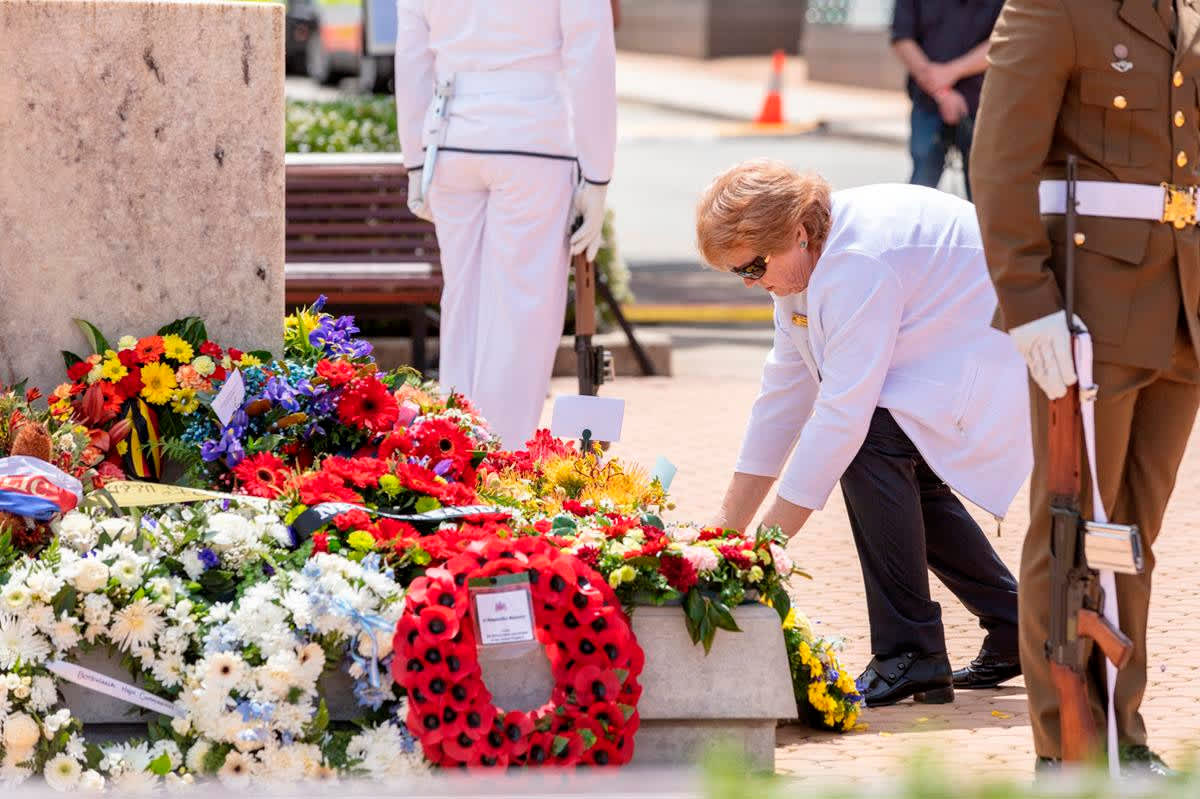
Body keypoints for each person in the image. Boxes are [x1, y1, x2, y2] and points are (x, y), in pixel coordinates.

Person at [698, 159, 1030, 708]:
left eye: (754, 266)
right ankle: (1017, 624)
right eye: (740, 273)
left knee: (870, 442)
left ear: (798, 233)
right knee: (894, 462)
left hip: (996, 345)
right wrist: (724, 530)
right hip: (946, 336)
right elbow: (783, 395)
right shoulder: (801, 266)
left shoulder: (855, 263)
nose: (753, 283)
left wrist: (763, 551)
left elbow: (840, 417)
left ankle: (911, 651)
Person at [970, 0, 1199, 776]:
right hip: (1089, 309)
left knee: (1132, 538)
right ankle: (1065, 746)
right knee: (1068, 527)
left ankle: (1123, 733)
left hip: (1181, 314)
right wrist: (1028, 303)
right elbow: (1000, 161)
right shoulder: (1056, 7)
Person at [393, 0, 617, 448]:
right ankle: (500, 459)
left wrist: (415, 161)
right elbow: (589, 52)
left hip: (451, 140)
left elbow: (413, 53)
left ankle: (453, 448)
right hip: (533, 137)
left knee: (463, 308)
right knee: (521, 316)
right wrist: (597, 173)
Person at [890, 0, 1005, 199]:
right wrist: (942, 92)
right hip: (928, 100)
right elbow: (902, 37)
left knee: (984, 196)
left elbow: (1004, 40)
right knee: (920, 190)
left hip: (983, 104)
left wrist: (953, 71)